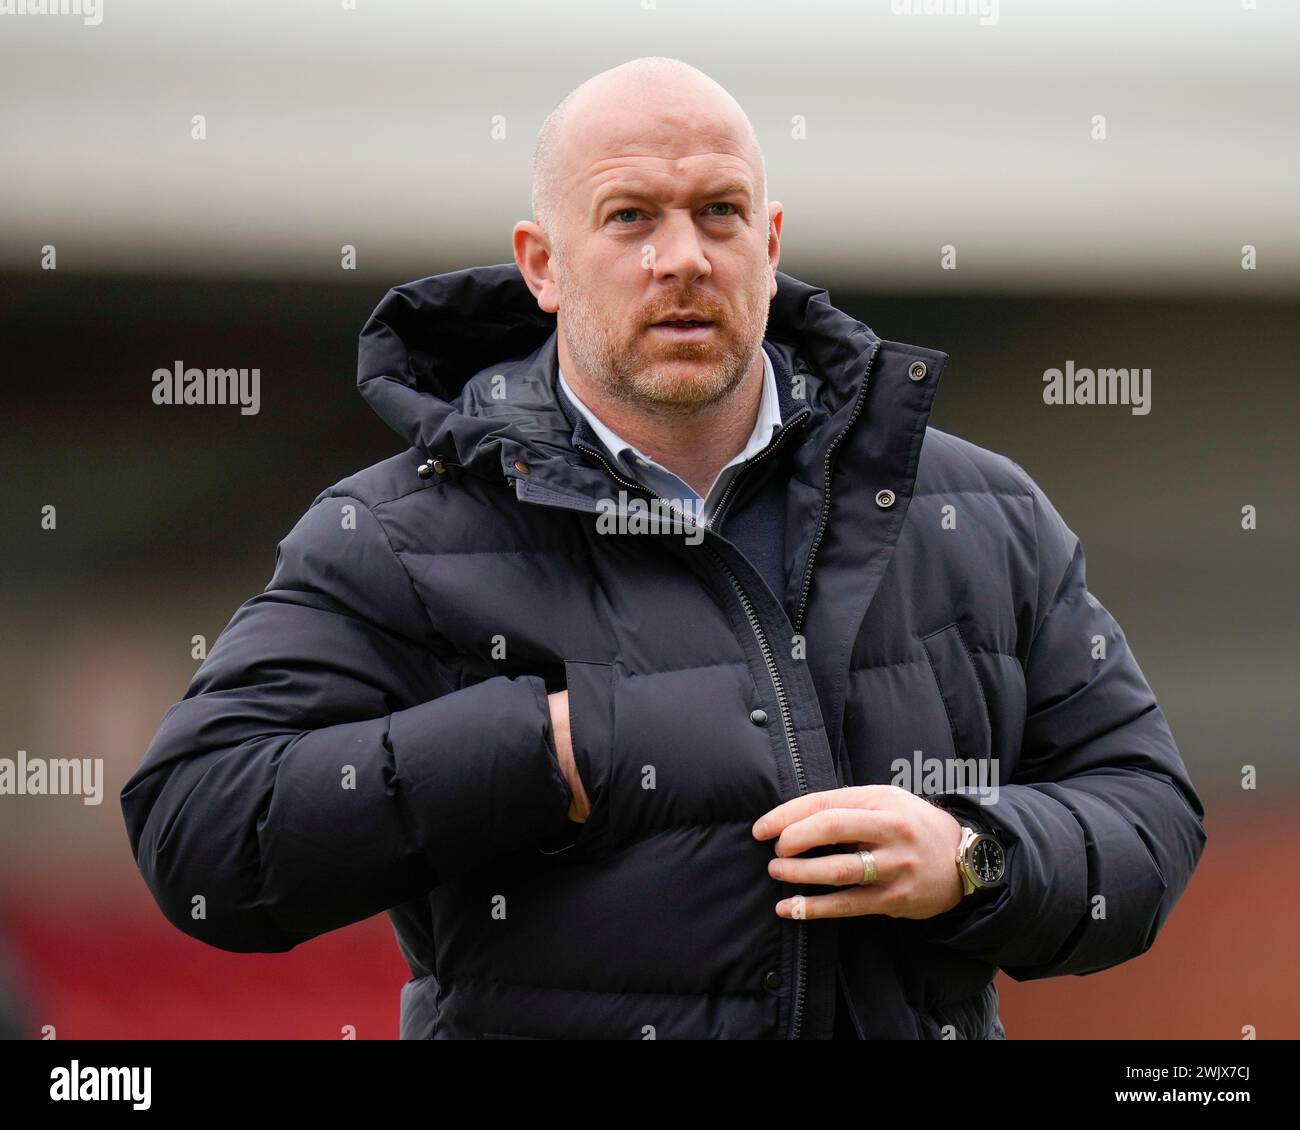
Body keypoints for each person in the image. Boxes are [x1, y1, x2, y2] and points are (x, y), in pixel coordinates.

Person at [120, 57, 1207, 1040]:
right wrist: (557, 746)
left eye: (718, 213)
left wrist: (973, 854)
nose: (682, 258)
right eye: (631, 217)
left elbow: (1147, 813)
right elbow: (200, 832)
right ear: (542, 264)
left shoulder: (981, 508)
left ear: (769, 247)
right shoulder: (397, 531)